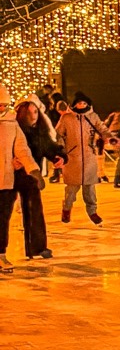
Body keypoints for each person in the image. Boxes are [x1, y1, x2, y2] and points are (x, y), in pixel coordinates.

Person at [0, 90, 43, 270]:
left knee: (2, 219)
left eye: (4, 105)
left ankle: (1, 254)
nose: (2, 108)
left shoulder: (11, 124)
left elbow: (22, 149)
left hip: (4, 180)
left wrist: (33, 169)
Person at [12, 99, 59, 260]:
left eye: (36, 112)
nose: (33, 116)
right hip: (9, 174)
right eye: (30, 112)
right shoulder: (13, 128)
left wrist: (59, 156)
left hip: (30, 175)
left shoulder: (39, 130)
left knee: (34, 210)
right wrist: (11, 160)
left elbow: (48, 147)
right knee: (4, 212)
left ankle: (37, 247)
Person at [57, 94, 107, 225]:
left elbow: (102, 128)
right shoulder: (66, 118)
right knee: (71, 190)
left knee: (90, 188)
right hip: (73, 158)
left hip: (89, 157)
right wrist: (61, 148)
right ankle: (66, 209)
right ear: (75, 104)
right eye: (79, 103)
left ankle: (92, 211)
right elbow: (58, 134)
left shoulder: (92, 116)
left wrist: (109, 136)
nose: (82, 106)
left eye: (84, 104)